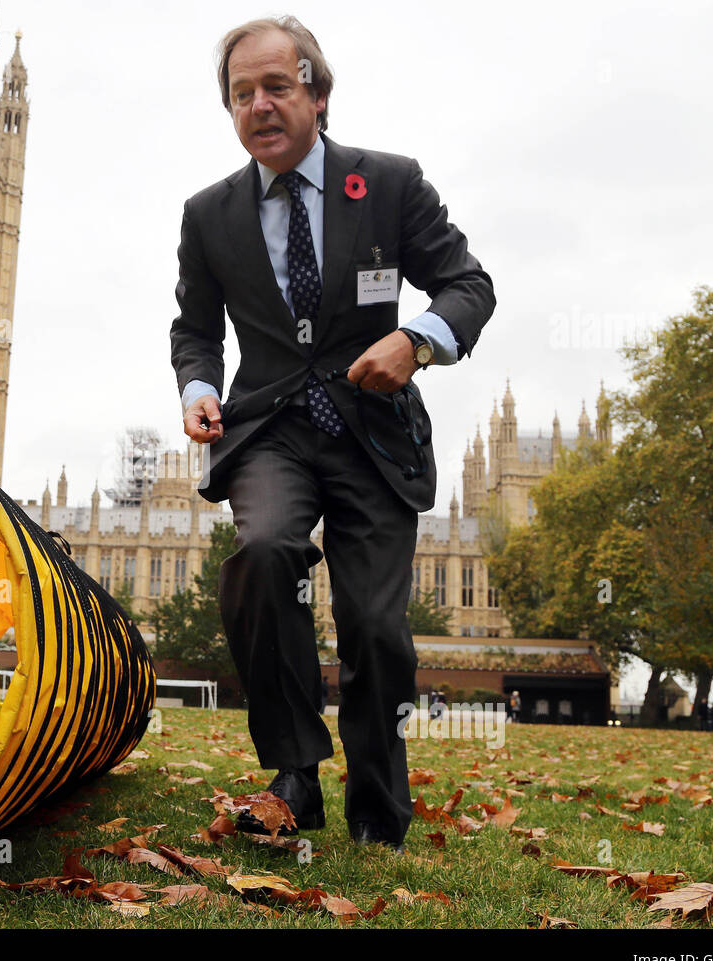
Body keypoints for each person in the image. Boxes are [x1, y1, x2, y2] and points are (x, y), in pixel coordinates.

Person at [169, 16, 495, 850]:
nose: (260, 106)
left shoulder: (387, 184)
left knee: (377, 628)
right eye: (242, 94)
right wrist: (200, 385)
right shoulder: (209, 215)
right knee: (266, 552)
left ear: (318, 92)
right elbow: (195, 329)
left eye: (277, 87)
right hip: (271, 429)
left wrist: (416, 340)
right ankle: (293, 774)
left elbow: (468, 285)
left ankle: (379, 803)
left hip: (372, 431)